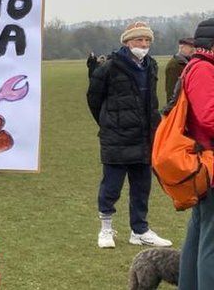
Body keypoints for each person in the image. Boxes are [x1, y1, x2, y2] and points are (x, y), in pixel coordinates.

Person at [87, 21, 171, 249]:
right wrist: (109, 122)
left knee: (142, 187)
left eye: (147, 41)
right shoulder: (109, 67)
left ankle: (140, 230)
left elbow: (151, 100)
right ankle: (105, 229)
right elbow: (94, 99)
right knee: (111, 186)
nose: (143, 44)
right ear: (126, 42)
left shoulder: (151, 65)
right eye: (138, 40)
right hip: (116, 137)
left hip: (144, 137)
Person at [178, 19, 214, 290]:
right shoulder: (203, 70)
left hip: (203, 162)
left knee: (201, 230)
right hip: (209, 161)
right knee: (210, 238)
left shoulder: (197, 67)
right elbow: (208, 116)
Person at [165, 37, 195, 105]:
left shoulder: (190, 63)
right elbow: (171, 90)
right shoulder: (174, 65)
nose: (193, 50)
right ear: (181, 47)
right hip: (179, 105)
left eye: (194, 47)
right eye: (190, 47)